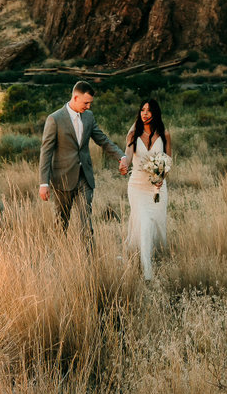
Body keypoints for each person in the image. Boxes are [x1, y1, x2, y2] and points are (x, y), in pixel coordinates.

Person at [38, 80, 128, 232]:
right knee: (61, 223)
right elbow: (46, 152)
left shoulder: (89, 116)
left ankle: (88, 255)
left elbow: (102, 139)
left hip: (84, 177)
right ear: (75, 98)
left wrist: (121, 156)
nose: (88, 107)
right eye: (86, 103)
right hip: (63, 178)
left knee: (86, 222)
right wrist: (43, 183)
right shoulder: (55, 119)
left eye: (90, 103)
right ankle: (61, 254)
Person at [125, 97, 171, 279]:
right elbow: (128, 156)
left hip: (157, 189)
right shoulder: (133, 134)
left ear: (155, 113)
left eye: (149, 110)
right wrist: (123, 164)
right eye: (142, 110)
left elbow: (168, 161)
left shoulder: (164, 135)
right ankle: (148, 273)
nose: (145, 113)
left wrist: (162, 177)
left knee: (156, 225)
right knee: (144, 222)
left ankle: (156, 257)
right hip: (137, 187)